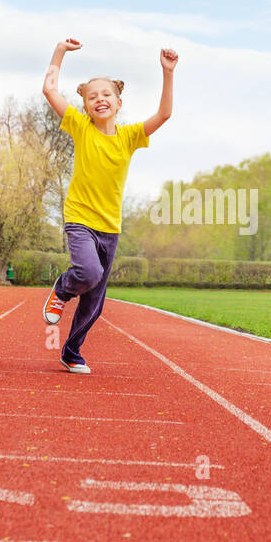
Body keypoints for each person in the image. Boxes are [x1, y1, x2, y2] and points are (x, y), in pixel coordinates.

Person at [40, 39, 175, 373]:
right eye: (91, 96)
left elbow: (165, 114)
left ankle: (71, 351)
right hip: (80, 219)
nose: (99, 99)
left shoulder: (129, 137)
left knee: (95, 302)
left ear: (117, 101)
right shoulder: (80, 127)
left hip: (110, 227)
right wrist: (60, 52)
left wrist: (167, 73)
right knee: (88, 273)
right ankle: (62, 287)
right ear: (85, 106)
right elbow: (49, 89)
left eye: (106, 95)